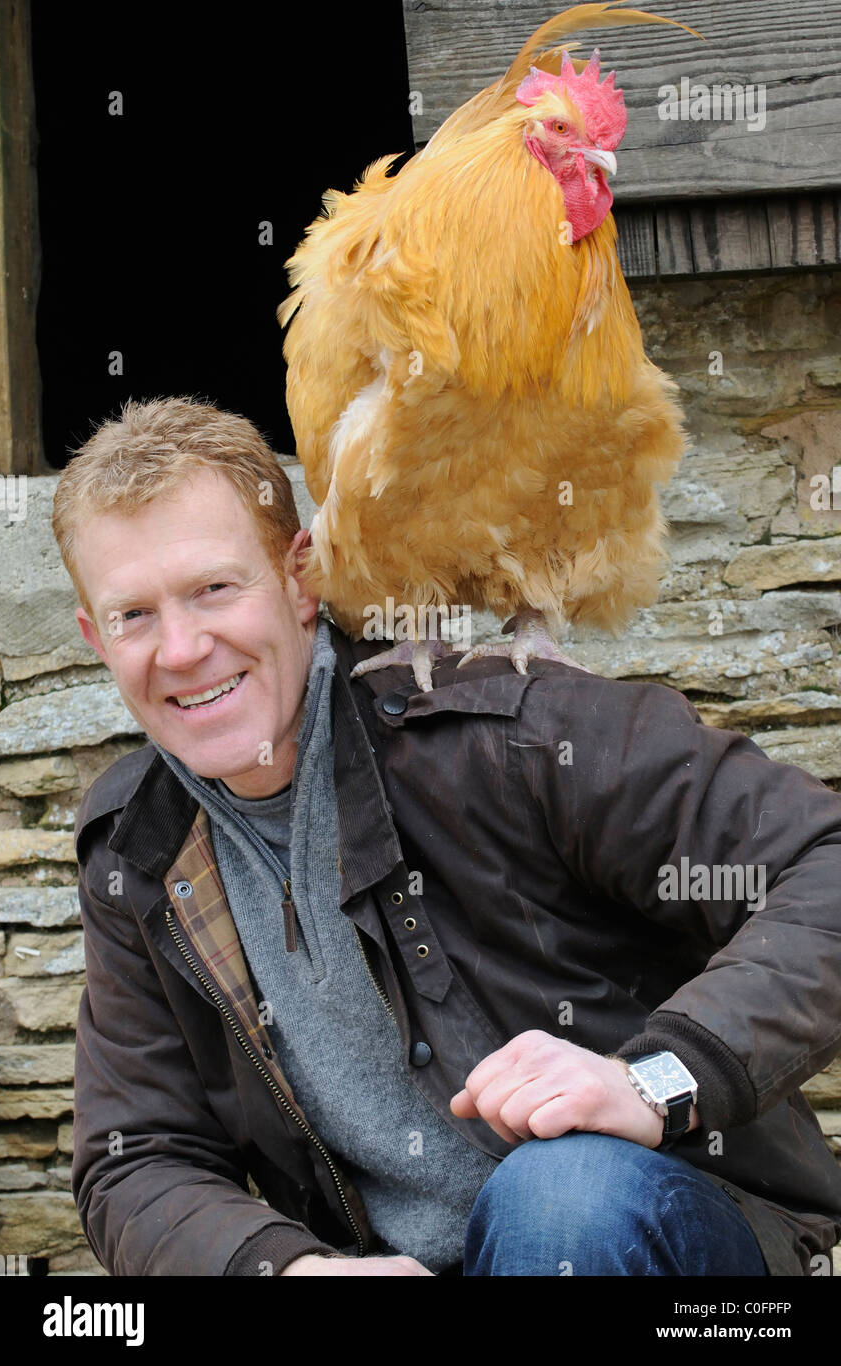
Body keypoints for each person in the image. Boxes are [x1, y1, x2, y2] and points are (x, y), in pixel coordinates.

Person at [51, 396, 841, 1278]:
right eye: (134, 617)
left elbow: (824, 865)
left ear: (301, 578)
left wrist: (651, 1080)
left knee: (559, 1197)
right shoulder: (135, 845)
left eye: (213, 589)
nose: (184, 647)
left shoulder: (513, 733)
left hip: (667, 1232)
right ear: (94, 638)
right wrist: (289, 1270)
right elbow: (139, 1159)